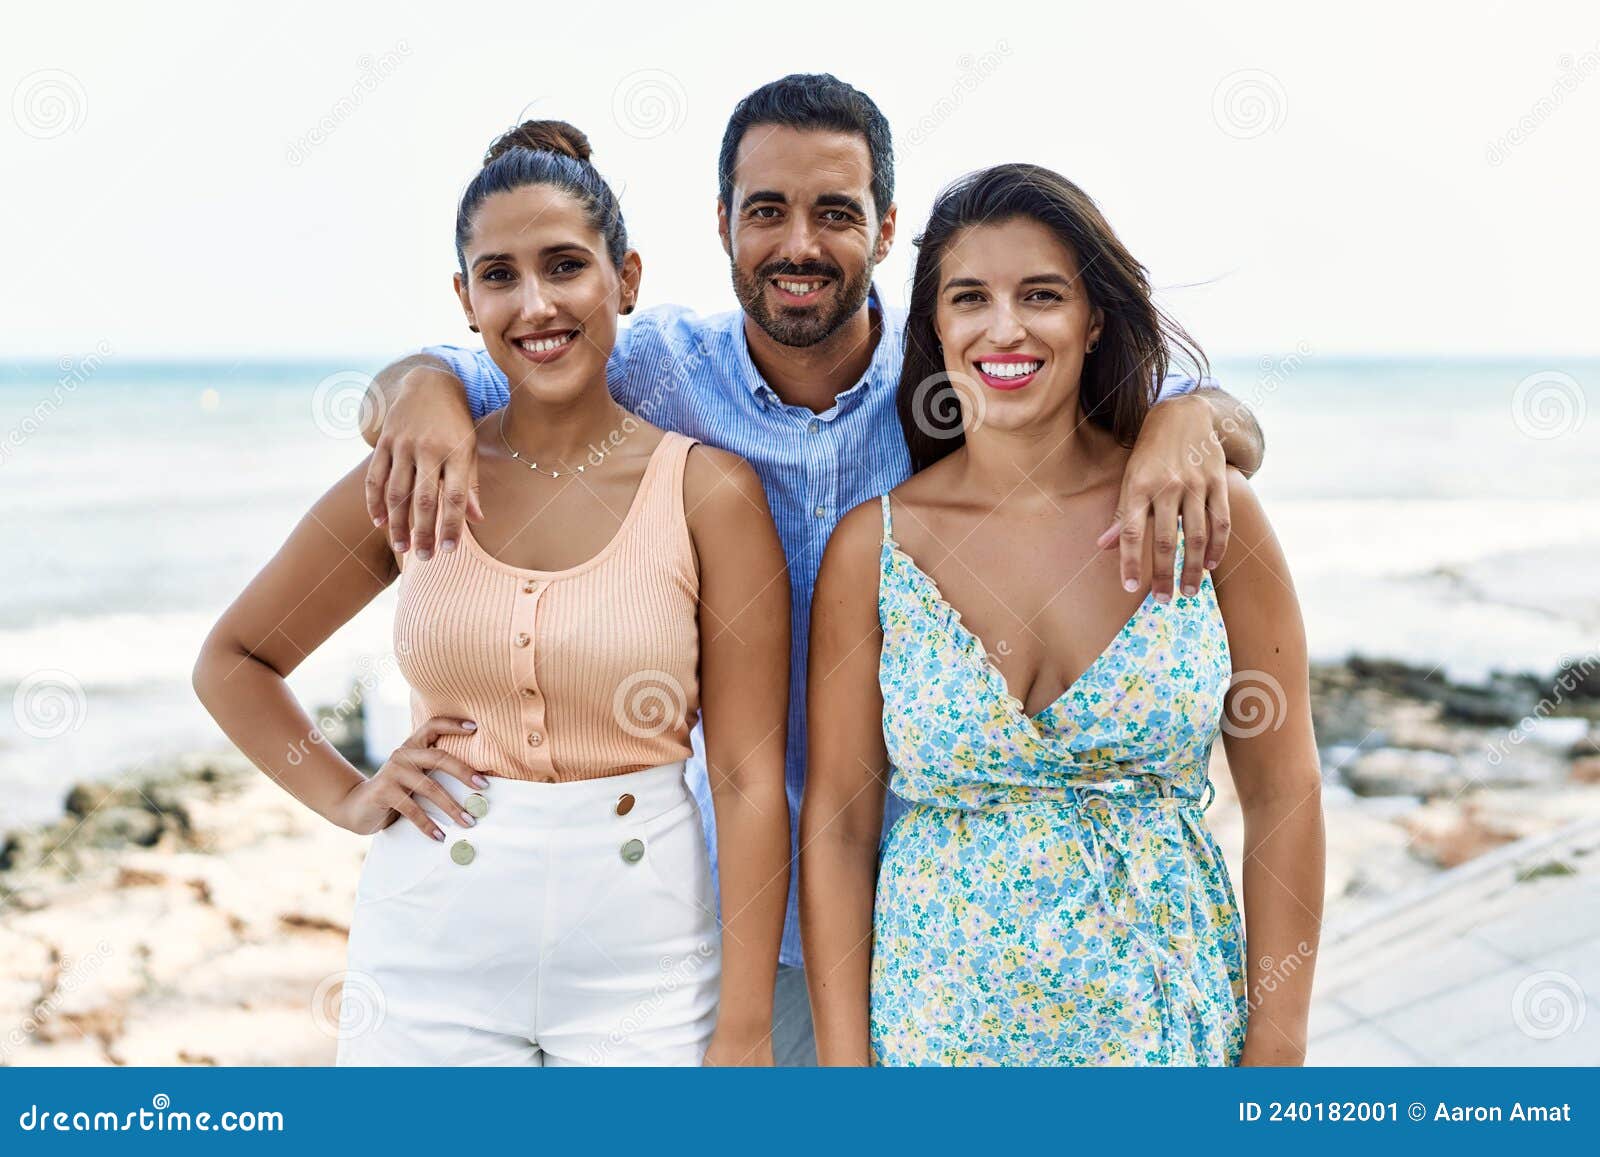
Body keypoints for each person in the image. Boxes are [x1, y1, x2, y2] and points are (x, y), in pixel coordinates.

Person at [356, 74, 1266, 1063]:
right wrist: (420, 383)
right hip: (709, 918)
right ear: (720, 226)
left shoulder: (957, 375)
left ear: (883, 232)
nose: (797, 244)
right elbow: (493, 370)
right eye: (765, 212)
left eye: (834, 212)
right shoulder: (651, 369)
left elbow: (1199, 417)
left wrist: (1190, 417)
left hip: (929, 920)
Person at [193, 119, 791, 1066]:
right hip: (430, 942)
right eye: (499, 275)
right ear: (465, 300)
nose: (536, 303)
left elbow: (750, 780)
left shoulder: (708, 491)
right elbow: (235, 663)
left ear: (624, 279)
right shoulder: (414, 474)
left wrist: (747, 1026)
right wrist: (351, 797)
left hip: (648, 952)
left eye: (565, 266)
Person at [803, 164, 1324, 1066]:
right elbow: (843, 828)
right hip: (937, 1045)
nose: (1005, 328)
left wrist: (1276, 1054)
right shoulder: (873, 548)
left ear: (1094, 320)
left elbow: (1285, 794)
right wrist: (850, 1084)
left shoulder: (1212, 515)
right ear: (937, 325)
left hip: (1170, 1037)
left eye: (1040, 294)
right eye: (971, 298)